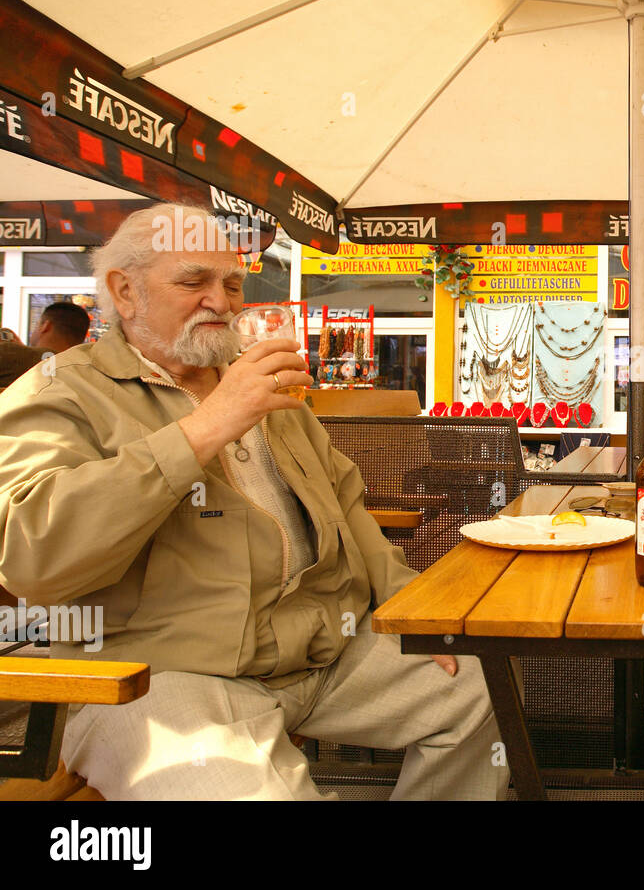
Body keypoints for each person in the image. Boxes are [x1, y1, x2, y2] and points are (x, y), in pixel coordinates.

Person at [0, 204, 506, 800]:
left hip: (318, 650)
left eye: (232, 283)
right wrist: (209, 424)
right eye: (193, 281)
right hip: (159, 674)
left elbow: (345, 504)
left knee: (482, 682)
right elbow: (34, 556)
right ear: (125, 291)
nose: (222, 300)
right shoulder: (60, 389)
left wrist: (408, 607)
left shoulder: (258, 385)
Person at [0, 302, 91, 388]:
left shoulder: (11, 353)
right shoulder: (81, 373)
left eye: (37, 324)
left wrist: (18, 350)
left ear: (46, 326)